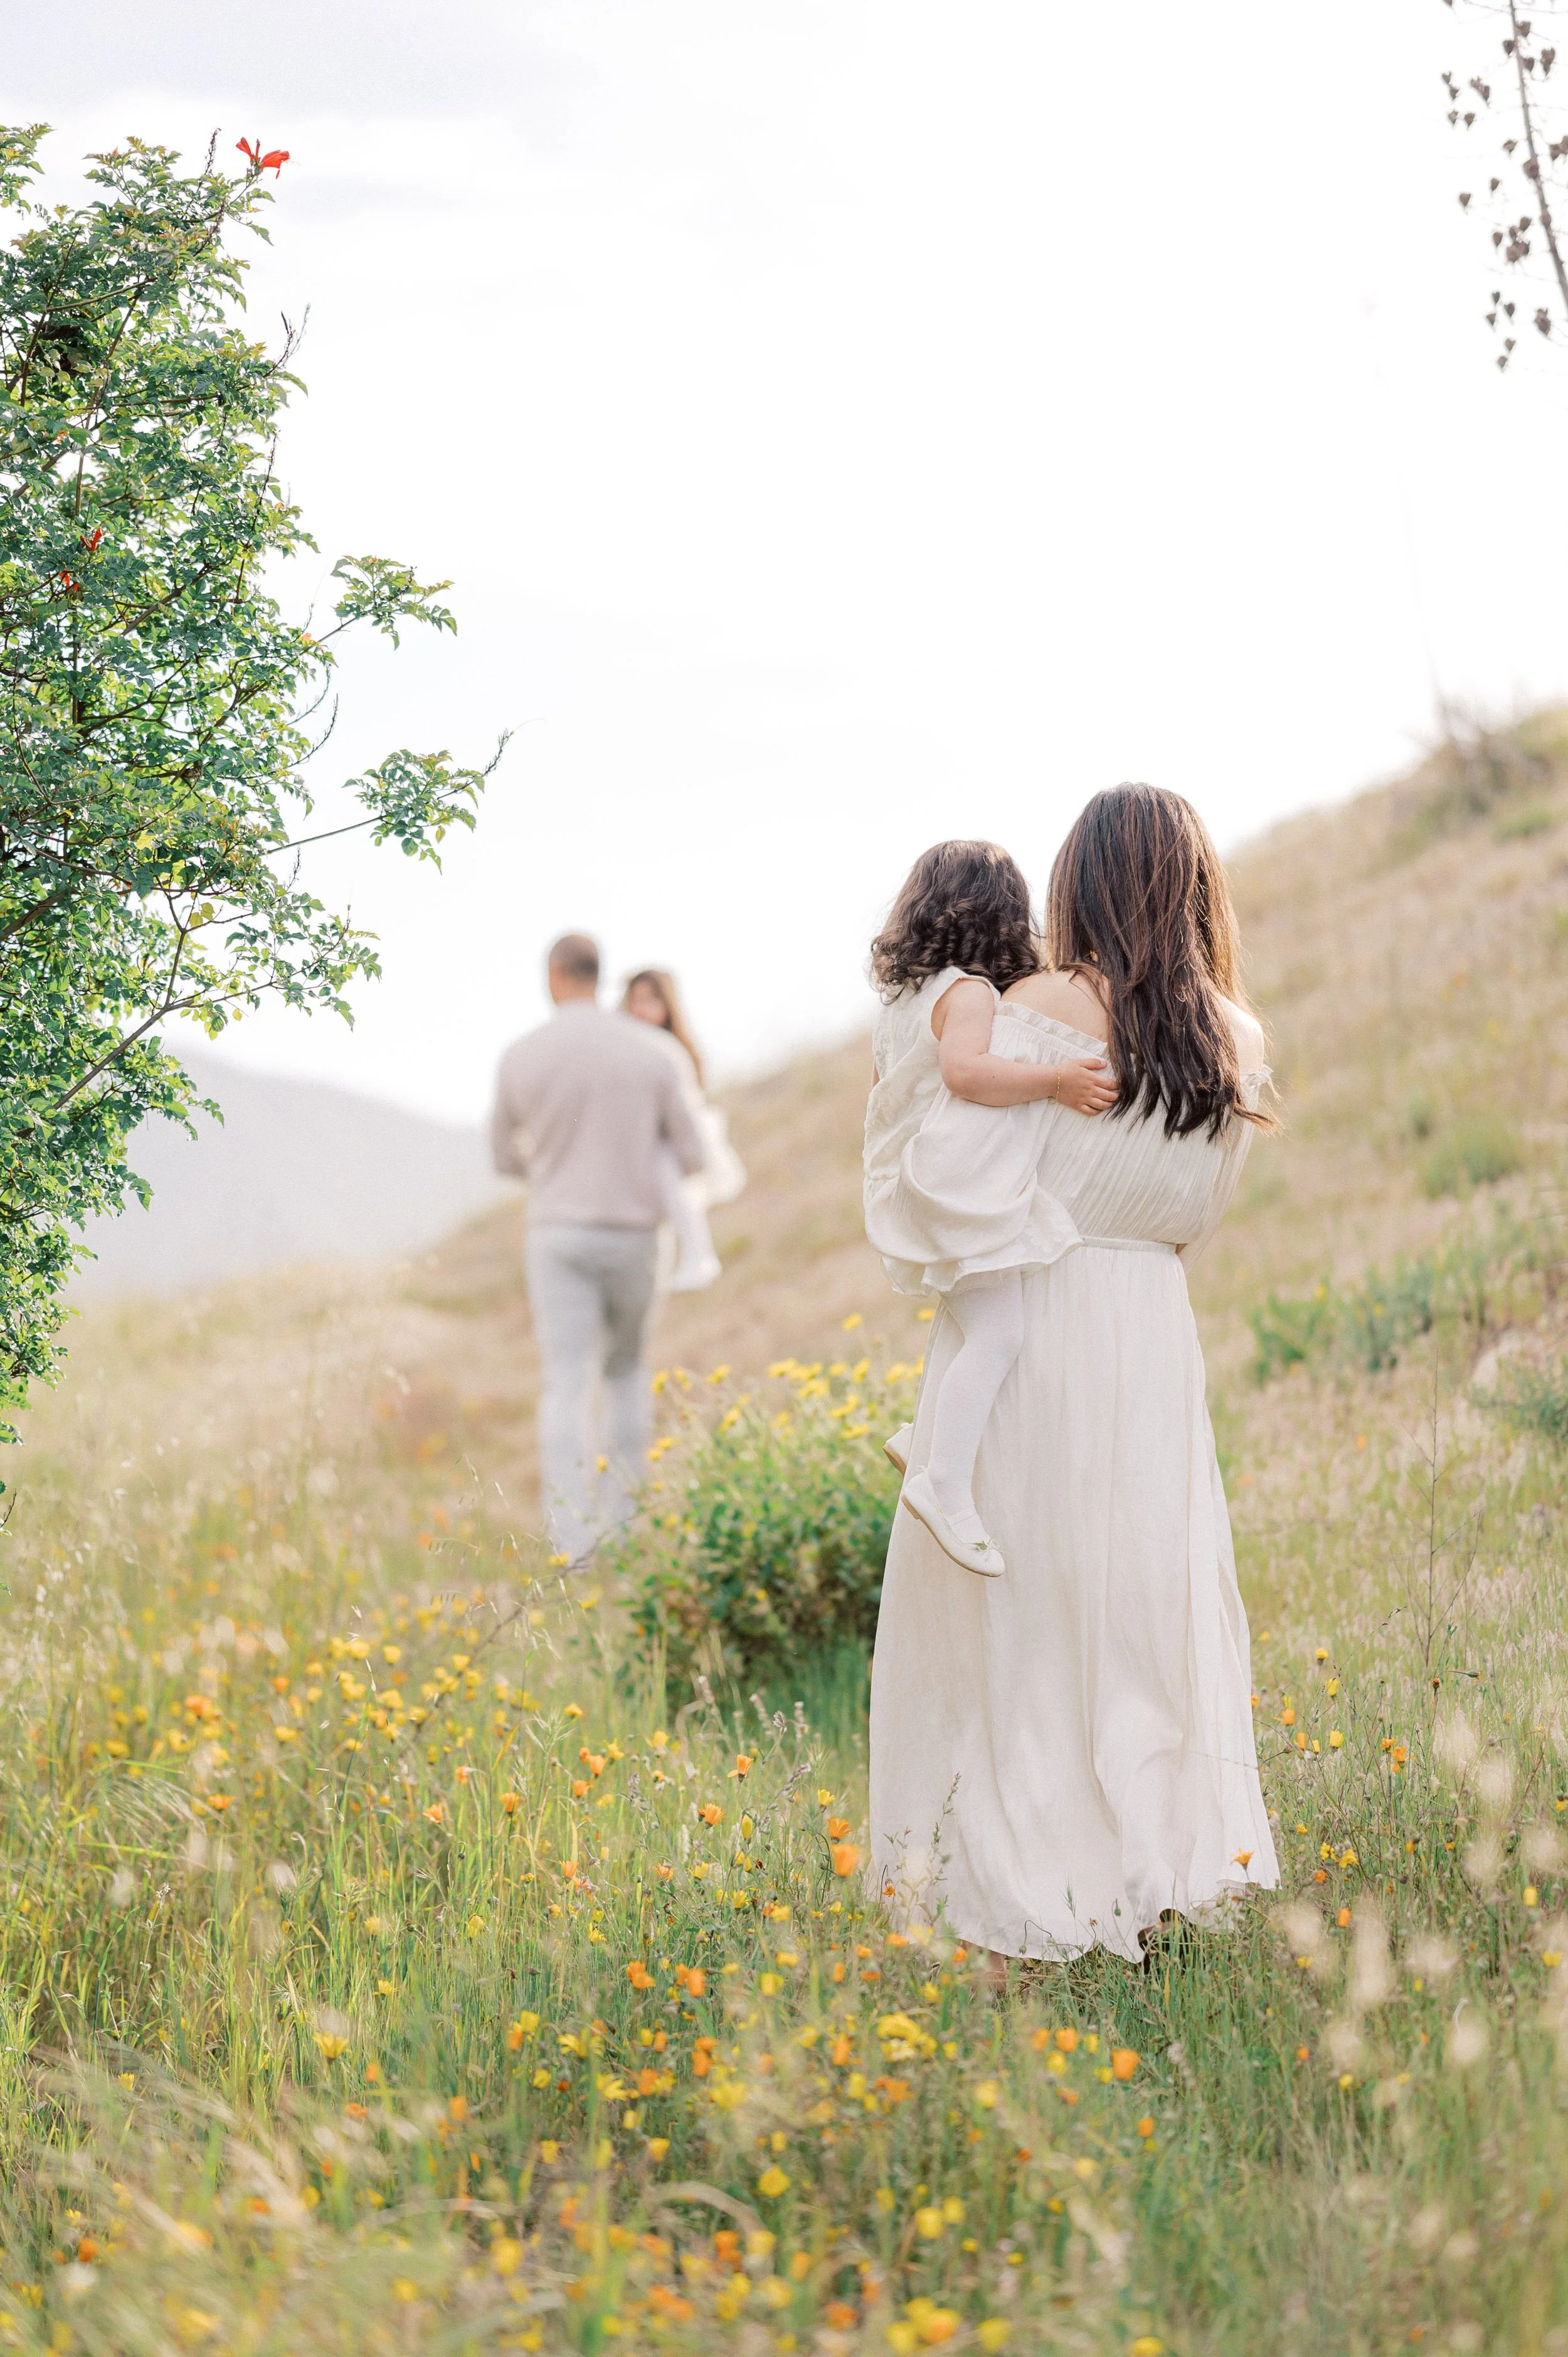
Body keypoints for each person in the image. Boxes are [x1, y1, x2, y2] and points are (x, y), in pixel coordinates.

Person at [869, 785, 1280, 1972]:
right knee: (1143, 1614)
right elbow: (1194, 1222)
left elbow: (951, 1158)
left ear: (1078, 882)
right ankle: (1145, 1884)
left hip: (1036, 1321)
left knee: (1025, 1624)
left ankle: (1022, 1893)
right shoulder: (1236, 1040)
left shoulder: (1038, 1006)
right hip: (1153, 1330)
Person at [863, 842, 1116, 1575]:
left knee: (975, 1317)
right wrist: (1056, 1081)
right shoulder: (968, 992)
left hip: (905, 1181)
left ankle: (928, 1437)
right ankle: (945, 1486)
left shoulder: (901, 1000)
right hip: (948, 1179)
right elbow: (966, 1073)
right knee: (1001, 1331)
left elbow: (886, 1088)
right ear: (1003, 913)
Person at [490, 932, 705, 1564]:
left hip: (557, 1232)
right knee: (626, 1373)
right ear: (598, 974)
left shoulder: (520, 1055)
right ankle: (624, 1527)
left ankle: (571, 1540)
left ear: (555, 975)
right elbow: (692, 1154)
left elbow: (503, 1155)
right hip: (635, 1234)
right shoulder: (653, 1053)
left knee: (563, 1383)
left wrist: (553, 1172)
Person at [621, 967, 746, 1292]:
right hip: (636, 1144)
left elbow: (688, 1107)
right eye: (635, 1001)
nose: (641, 1010)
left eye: (650, 1001)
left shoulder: (672, 1049)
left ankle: (698, 1257)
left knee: (672, 1182)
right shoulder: (625, 1047)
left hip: (673, 1142)